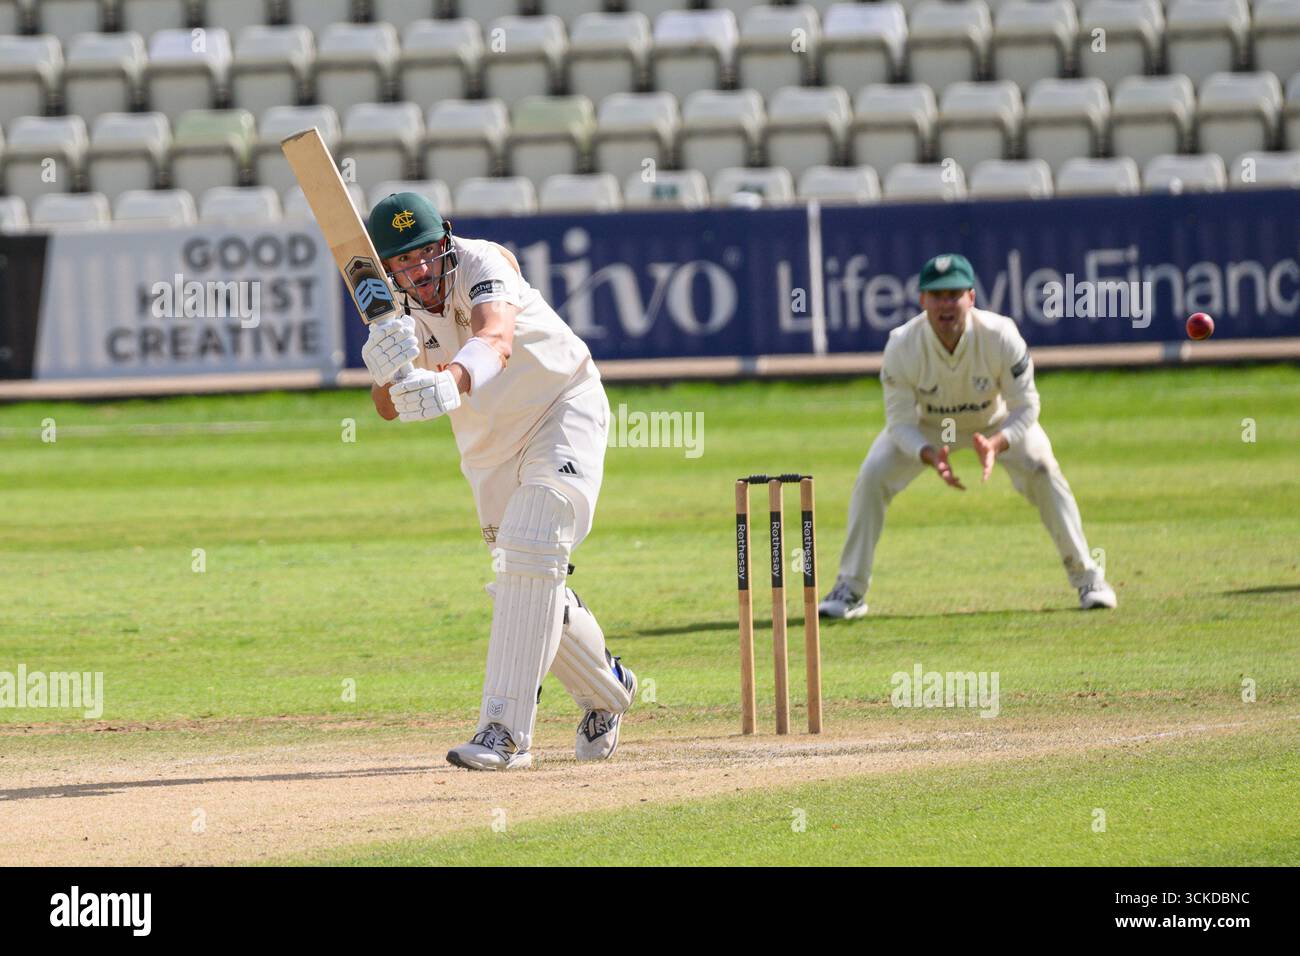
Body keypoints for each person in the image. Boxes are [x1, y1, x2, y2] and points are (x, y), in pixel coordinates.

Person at [360, 192, 636, 770]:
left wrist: (452, 380)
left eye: (425, 255)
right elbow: (386, 409)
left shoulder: (484, 261)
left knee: (534, 543)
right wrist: (384, 373)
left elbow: (497, 340)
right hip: (487, 447)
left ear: (446, 243)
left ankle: (504, 733)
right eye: (402, 264)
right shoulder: (392, 306)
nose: (417, 271)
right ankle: (608, 693)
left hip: (562, 405)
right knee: (526, 577)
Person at [819, 253, 1117, 619]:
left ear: (971, 298)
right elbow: (898, 422)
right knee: (872, 475)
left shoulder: (1000, 335)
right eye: (937, 295)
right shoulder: (902, 344)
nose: (946, 304)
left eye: (954, 294)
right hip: (927, 427)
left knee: (1042, 467)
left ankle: (1089, 578)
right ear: (922, 300)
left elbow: (1027, 406)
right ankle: (851, 588)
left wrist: (997, 443)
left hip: (995, 422)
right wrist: (928, 454)